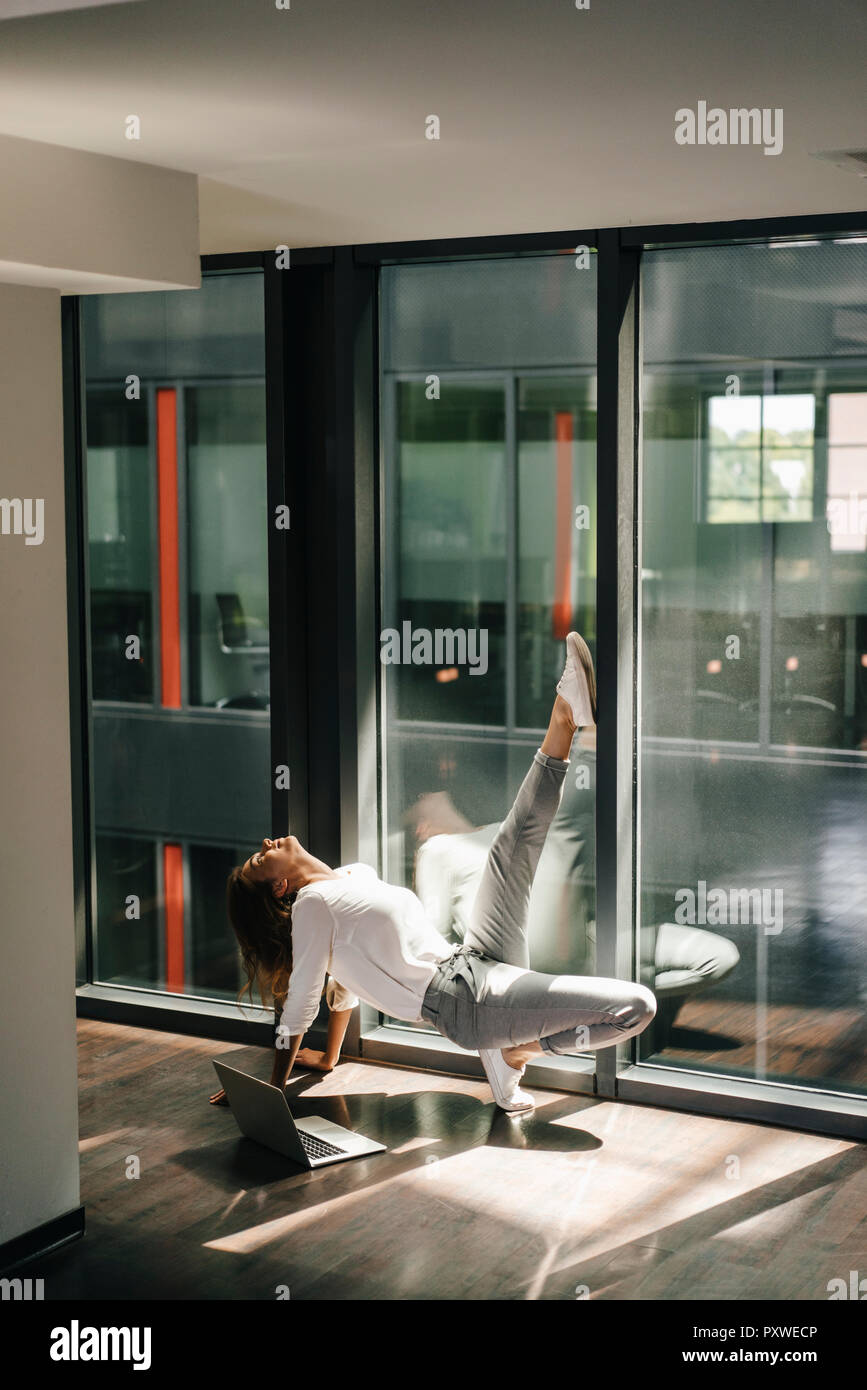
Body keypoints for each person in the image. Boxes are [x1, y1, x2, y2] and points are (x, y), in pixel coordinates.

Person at [217, 633, 657, 1113]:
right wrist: (274, 1089)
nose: (266, 845)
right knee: (634, 1007)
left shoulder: (350, 878)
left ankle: (565, 714)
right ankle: (518, 1049)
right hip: (463, 1001)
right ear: (280, 886)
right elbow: (303, 1001)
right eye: (262, 861)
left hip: (471, 955)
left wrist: (330, 1056)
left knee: (514, 845)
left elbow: (341, 991)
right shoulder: (312, 906)